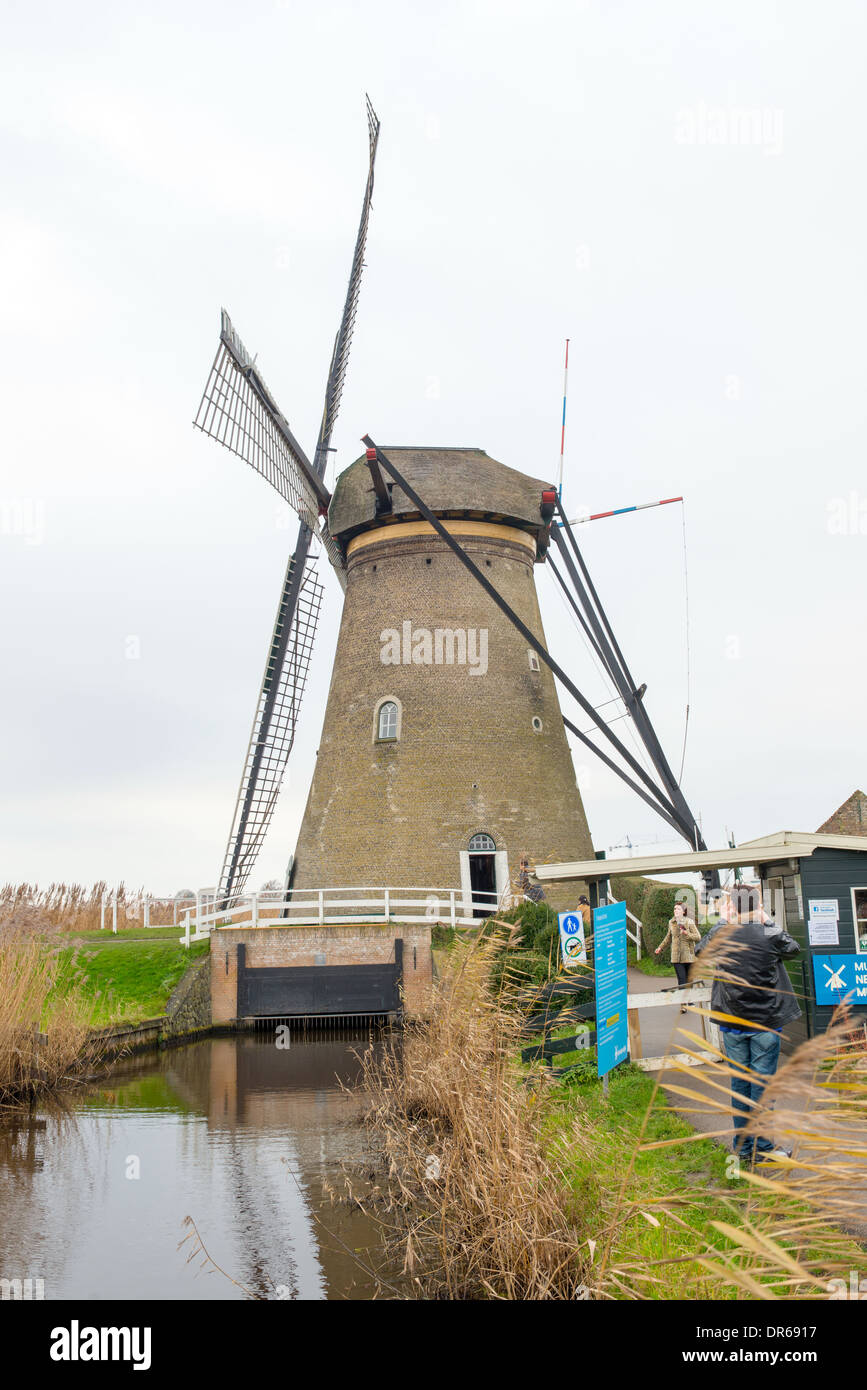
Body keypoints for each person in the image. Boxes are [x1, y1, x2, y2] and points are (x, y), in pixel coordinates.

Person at [694, 883, 800, 1163]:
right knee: (761, 1087)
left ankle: (743, 1149)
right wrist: (767, 919)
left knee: (740, 1085)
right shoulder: (768, 933)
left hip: (733, 1023)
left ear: (733, 906)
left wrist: (724, 921)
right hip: (765, 1022)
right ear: (757, 904)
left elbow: (700, 951)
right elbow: (793, 949)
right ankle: (763, 1148)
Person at [655, 902, 701, 1010]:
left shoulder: (689, 922)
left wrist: (687, 934)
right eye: (674, 909)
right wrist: (660, 947)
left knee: (689, 980)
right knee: (681, 980)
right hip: (676, 957)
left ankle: (689, 1000)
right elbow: (668, 937)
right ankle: (683, 1004)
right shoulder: (671, 922)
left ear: (683, 911)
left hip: (689, 956)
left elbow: (698, 937)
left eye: (678, 909)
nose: (675, 910)